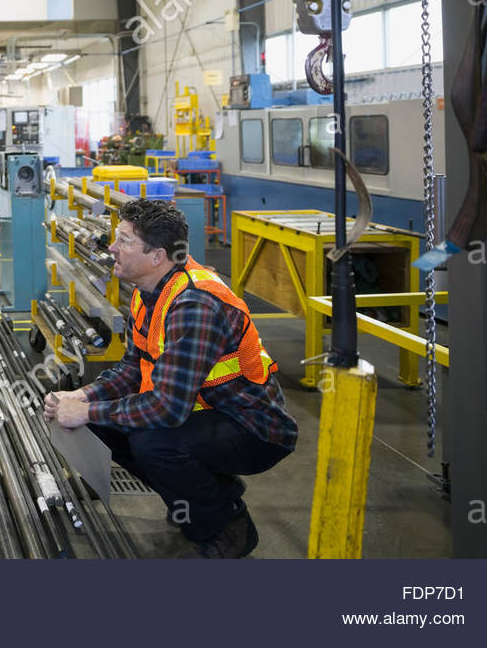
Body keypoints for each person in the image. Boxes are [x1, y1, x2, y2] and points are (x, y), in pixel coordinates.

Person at [43, 199, 297, 558]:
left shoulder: (195, 305)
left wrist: (85, 412)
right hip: (204, 413)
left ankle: (228, 526)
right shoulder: (148, 293)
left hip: (254, 427)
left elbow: (166, 409)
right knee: (104, 422)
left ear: (156, 256)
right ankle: (204, 492)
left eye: (124, 240)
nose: (112, 247)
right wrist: (82, 396)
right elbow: (133, 369)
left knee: (154, 442)